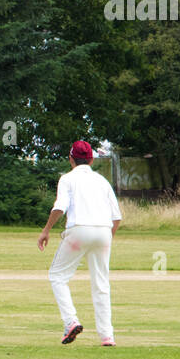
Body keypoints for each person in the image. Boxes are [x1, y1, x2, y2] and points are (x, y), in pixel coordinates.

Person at [37, 140, 122, 347]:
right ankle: (106, 336)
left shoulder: (67, 179)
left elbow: (60, 207)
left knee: (57, 276)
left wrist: (46, 230)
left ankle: (71, 321)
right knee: (101, 283)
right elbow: (116, 217)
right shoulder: (102, 181)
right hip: (104, 231)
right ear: (92, 159)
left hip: (78, 230)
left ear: (71, 159)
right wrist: (106, 238)